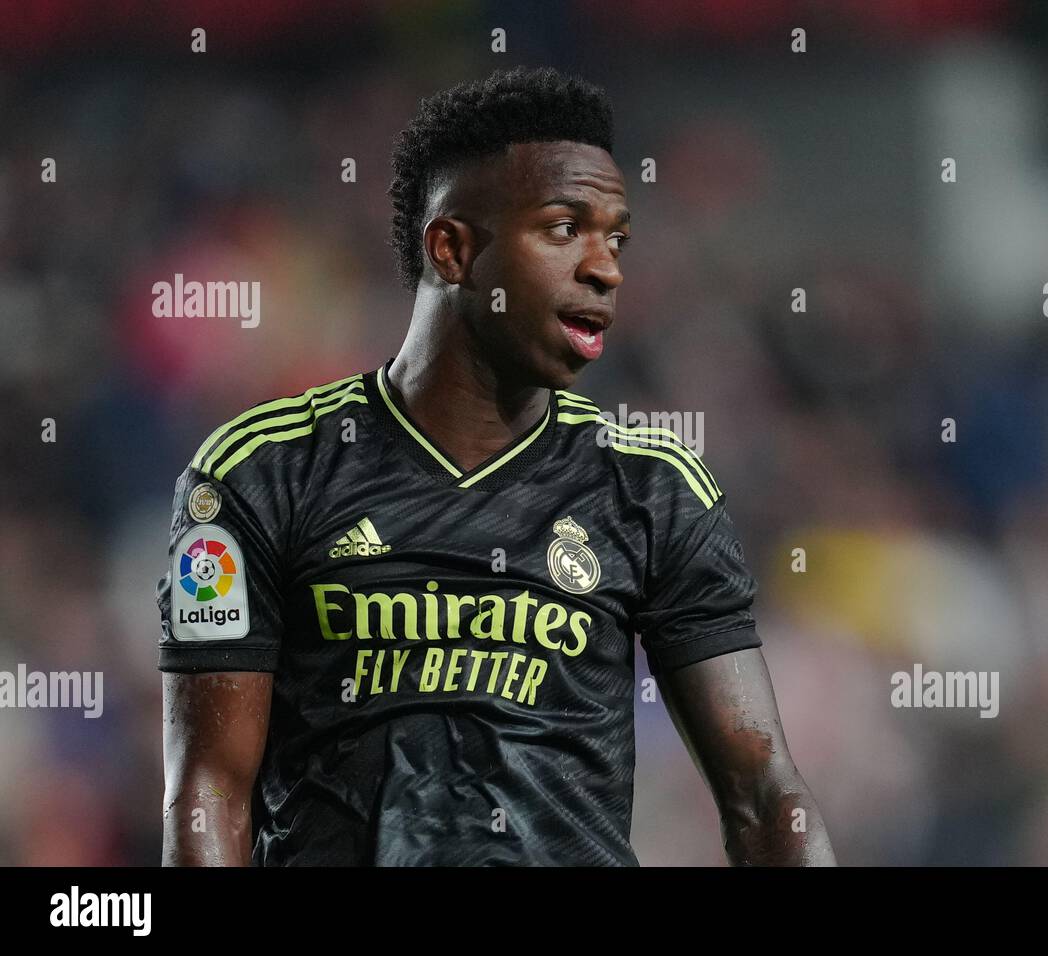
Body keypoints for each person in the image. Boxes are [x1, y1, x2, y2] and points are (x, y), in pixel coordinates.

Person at [157, 66, 834, 866]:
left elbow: (764, 792)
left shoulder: (652, 488)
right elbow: (209, 793)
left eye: (616, 238)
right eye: (562, 229)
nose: (605, 268)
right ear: (452, 248)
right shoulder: (262, 472)